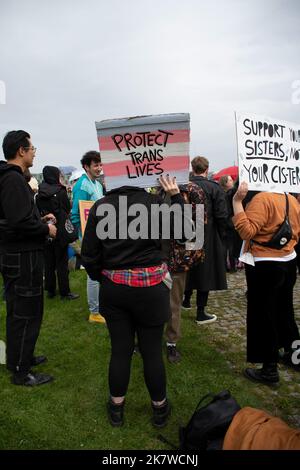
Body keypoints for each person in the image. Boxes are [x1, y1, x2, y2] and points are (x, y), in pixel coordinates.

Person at [81, 176, 184, 427]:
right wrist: (176, 197)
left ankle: (117, 407)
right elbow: (188, 235)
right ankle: (159, 409)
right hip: (150, 289)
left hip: (115, 289)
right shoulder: (156, 202)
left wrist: (104, 278)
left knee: (120, 350)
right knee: (151, 353)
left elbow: (89, 255)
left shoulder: (102, 206)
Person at [0, 130, 56, 386]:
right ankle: (21, 372)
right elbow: (19, 222)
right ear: (21, 151)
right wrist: (46, 228)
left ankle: (20, 358)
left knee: (19, 310)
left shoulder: (13, 179)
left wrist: (39, 220)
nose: (34, 152)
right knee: (27, 312)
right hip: (22, 257)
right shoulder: (12, 179)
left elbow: (18, 217)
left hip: (18, 254)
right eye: (32, 148)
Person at [232, 182, 300, 384]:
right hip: (288, 261)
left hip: (265, 264)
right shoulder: (291, 199)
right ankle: (294, 355)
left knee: (265, 316)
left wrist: (237, 202)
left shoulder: (263, 199)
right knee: (285, 311)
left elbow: (246, 231)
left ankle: (269, 370)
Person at [182, 156, 228, 324]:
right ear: (207, 169)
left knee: (189, 265)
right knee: (204, 271)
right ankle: (200, 312)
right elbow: (222, 215)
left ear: (192, 168)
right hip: (207, 233)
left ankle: (186, 300)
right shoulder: (214, 188)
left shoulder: (185, 186)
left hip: (189, 231)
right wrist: (222, 235)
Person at [71, 151, 105, 323]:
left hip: (101, 234)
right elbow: (76, 214)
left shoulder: (97, 184)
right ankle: (94, 312)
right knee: (92, 273)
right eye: (95, 165)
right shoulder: (82, 185)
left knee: (101, 269)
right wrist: (85, 234)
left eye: (100, 165)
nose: (99, 168)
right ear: (86, 167)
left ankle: (101, 305)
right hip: (89, 236)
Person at [36, 166, 79, 301]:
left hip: (46, 230)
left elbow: (38, 211)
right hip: (60, 230)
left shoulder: (39, 192)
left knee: (49, 262)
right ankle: (64, 292)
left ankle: (50, 290)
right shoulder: (60, 191)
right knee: (61, 262)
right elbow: (67, 208)